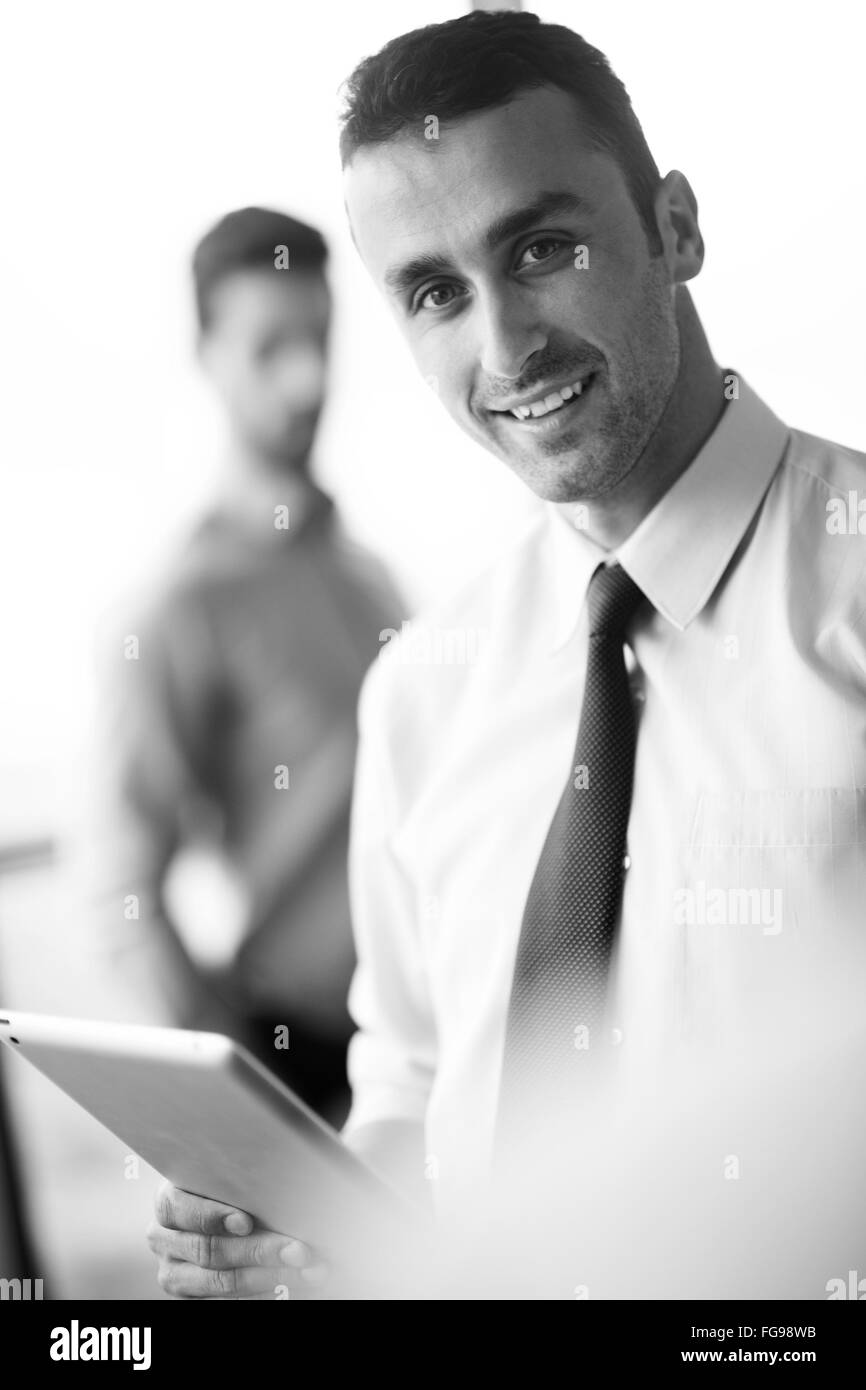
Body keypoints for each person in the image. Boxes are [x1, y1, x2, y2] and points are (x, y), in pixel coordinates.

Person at [147, 13, 866, 1297]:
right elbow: (411, 1082)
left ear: (675, 229)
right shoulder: (421, 687)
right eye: (431, 292)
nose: (503, 348)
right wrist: (308, 1244)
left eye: (542, 247)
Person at [93, 207, 403, 1127]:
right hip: (303, 1065)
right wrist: (250, 1116)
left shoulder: (371, 575)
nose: (307, 379)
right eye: (270, 347)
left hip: (428, 1044)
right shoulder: (177, 607)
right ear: (205, 353)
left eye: (318, 340)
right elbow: (120, 893)